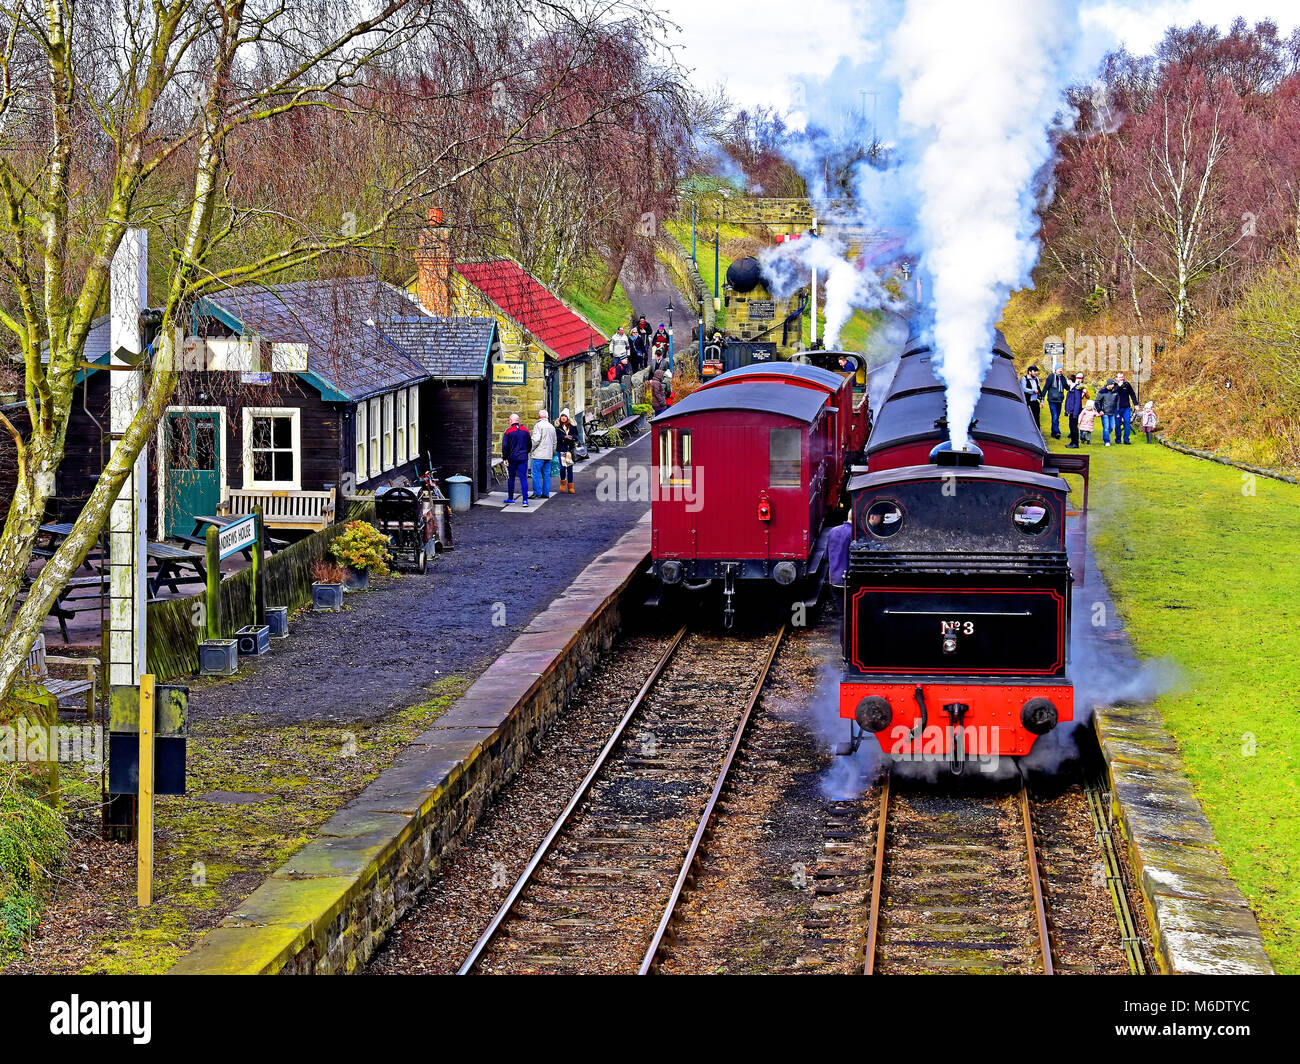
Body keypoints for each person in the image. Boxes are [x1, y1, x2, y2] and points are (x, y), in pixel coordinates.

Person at [501, 413, 531, 507]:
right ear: (518, 420)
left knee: (511, 478)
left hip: (512, 458)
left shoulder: (508, 431)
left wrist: (505, 458)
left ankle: (511, 498)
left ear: (511, 420)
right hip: (523, 457)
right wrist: (526, 452)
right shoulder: (526, 431)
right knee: (523, 478)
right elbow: (530, 444)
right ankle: (525, 500)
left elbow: (505, 446)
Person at [530, 409, 556, 499]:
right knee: (546, 474)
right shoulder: (551, 427)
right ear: (547, 417)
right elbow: (554, 442)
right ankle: (546, 493)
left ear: (539, 416)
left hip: (539, 454)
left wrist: (530, 449)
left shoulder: (538, 425)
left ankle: (537, 492)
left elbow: (535, 440)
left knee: (535, 473)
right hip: (548, 454)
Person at [555, 408, 579, 492]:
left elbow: (577, 436)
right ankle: (562, 483)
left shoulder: (572, 426)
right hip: (561, 449)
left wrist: (572, 437)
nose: (563, 418)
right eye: (562, 416)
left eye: (565, 416)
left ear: (567, 417)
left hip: (569, 449)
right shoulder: (557, 427)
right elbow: (556, 437)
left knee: (569, 468)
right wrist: (563, 437)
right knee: (562, 467)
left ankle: (571, 486)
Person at [1044, 364, 1068, 439]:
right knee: (1054, 416)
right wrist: (1041, 397)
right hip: (1052, 400)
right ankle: (1057, 432)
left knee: (1056, 417)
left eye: (1061, 368)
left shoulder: (1063, 378)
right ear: (1056, 369)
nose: (1060, 370)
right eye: (1059, 368)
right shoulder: (1051, 377)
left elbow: (1067, 387)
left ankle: (1053, 432)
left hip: (1059, 400)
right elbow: (1046, 387)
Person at [1063, 372, 1088, 448]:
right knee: (1071, 426)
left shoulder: (1076, 389)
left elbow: (1077, 402)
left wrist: (1075, 413)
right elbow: (1069, 401)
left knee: (1074, 427)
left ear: (1069, 380)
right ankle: (1072, 442)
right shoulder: (1072, 389)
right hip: (1071, 411)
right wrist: (1067, 411)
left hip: (1074, 412)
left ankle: (1075, 443)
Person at [1114, 371, 1138, 444]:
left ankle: (1126, 439)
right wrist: (1119, 386)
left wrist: (1136, 404)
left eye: (1122, 377)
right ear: (1116, 378)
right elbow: (1112, 393)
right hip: (1117, 408)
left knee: (1127, 423)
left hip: (1126, 407)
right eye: (1120, 377)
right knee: (1117, 424)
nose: (1121, 379)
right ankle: (1118, 439)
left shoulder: (1127, 384)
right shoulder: (1114, 384)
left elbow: (1132, 394)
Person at [1096, 377, 1119, 447]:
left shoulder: (1115, 392)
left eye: (1114, 384)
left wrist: (1117, 412)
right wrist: (1099, 410)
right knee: (1106, 427)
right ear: (1108, 384)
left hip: (1112, 412)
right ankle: (1107, 441)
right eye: (1112, 384)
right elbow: (1097, 402)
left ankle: (1105, 436)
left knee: (1111, 427)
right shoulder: (1102, 391)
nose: (1113, 385)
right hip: (1104, 413)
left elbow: (1117, 402)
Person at [1021, 364, 1042, 429]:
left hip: (1035, 402)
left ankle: (1038, 433)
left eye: (1036, 371)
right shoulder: (1024, 378)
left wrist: (1041, 400)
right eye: (1034, 371)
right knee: (1028, 418)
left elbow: (1039, 389)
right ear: (1029, 372)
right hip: (1028, 402)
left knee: (1037, 417)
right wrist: (1033, 391)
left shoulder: (1037, 379)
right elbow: (1023, 389)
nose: (1036, 373)